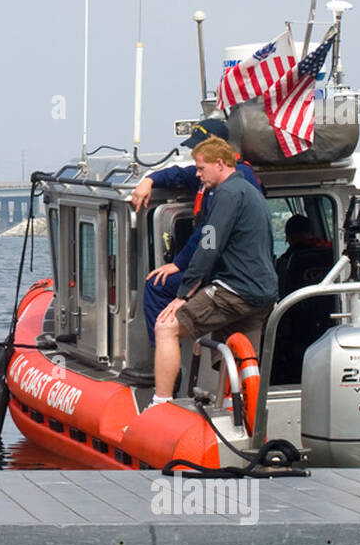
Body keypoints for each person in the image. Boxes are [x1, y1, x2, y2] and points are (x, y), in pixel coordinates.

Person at [152, 137, 279, 408]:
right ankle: (241, 410)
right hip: (263, 293)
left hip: (236, 291)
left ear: (219, 164)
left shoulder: (225, 195)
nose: (198, 175)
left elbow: (208, 246)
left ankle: (160, 404)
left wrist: (183, 294)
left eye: (200, 168)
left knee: (166, 327)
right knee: (238, 355)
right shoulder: (249, 191)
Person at [130, 118, 263, 345]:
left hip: (230, 272)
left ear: (217, 156)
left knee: (157, 287)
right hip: (227, 270)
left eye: (201, 163)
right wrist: (149, 179)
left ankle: (163, 352)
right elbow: (179, 175)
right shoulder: (211, 179)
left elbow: (209, 236)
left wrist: (181, 270)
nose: (197, 171)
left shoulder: (233, 188)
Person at [275, 214, 334, 295]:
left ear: (289, 236)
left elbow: (281, 291)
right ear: (311, 232)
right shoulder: (331, 252)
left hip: (295, 304)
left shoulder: (286, 261)